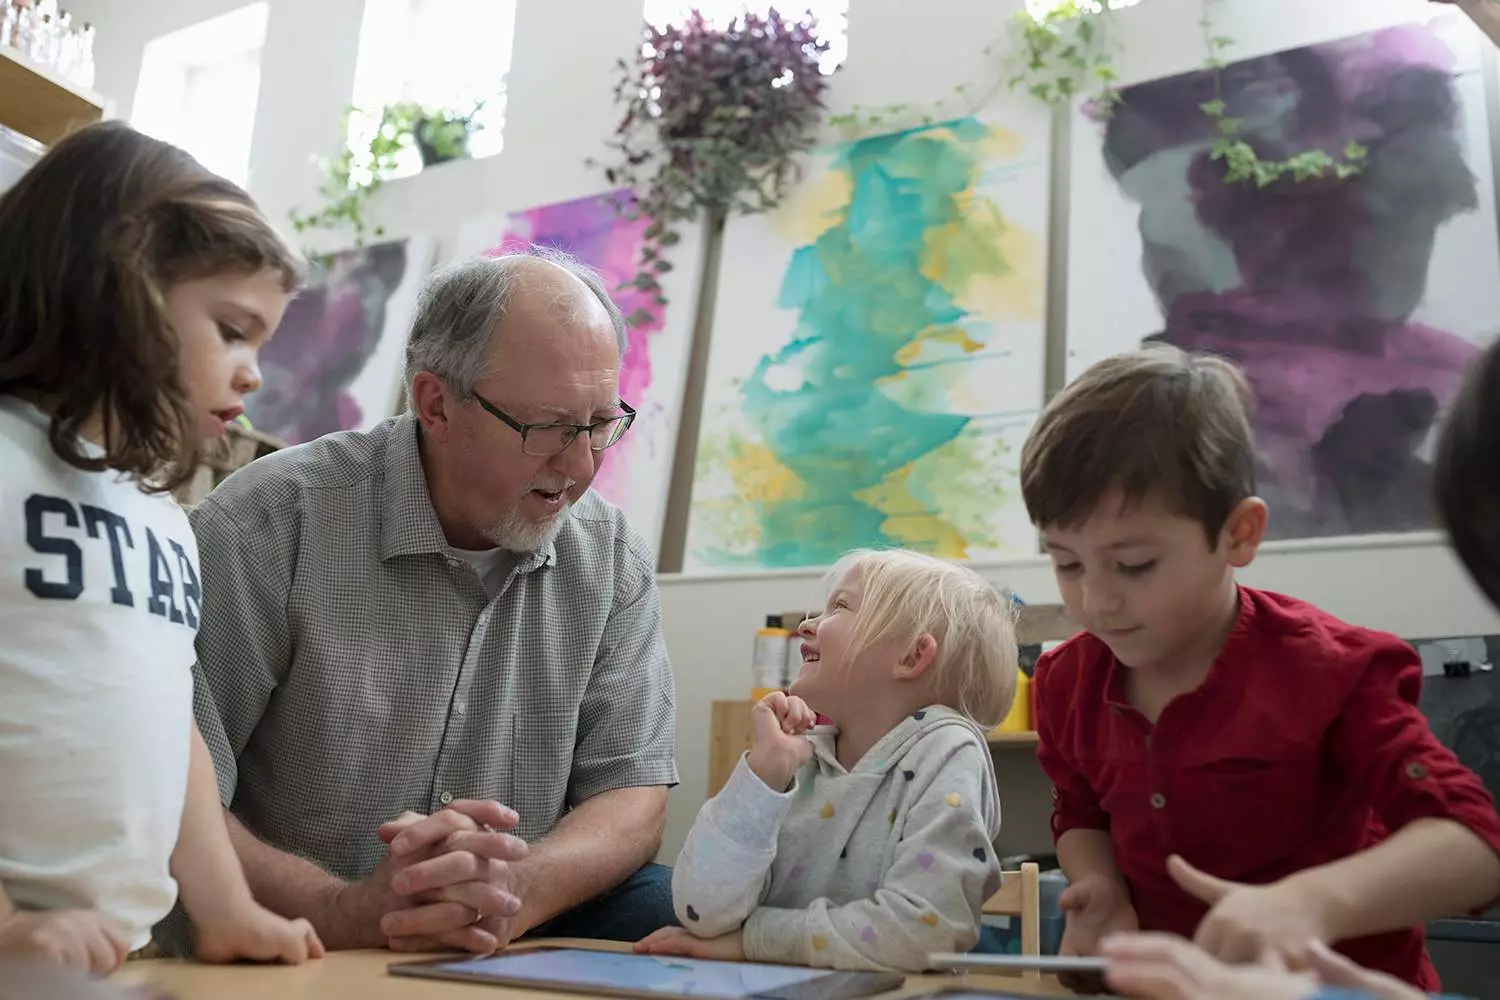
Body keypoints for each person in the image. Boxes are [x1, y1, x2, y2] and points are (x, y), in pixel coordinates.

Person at [153, 248, 679, 957]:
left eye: (599, 423)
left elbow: (634, 795)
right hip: (295, 929)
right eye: (548, 427)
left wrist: (518, 888)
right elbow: (172, 796)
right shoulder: (267, 526)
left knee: (694, 912)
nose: (582, 464)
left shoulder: (610, 557)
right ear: (436, 404)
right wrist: (344, 910)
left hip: (516, 924)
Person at [1019, 344, 1500, 991]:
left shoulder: (1333, 670)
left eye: (1134, 565)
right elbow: (1080, 810)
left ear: (1239, 535)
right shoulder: (1067, 681)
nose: (1095, 601)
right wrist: (1099, 885)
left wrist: (1310, 904)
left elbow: (1474, 843)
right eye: (1067, 563)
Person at [0, 121, 324, 973]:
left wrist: (227, 909)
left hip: (109, 957)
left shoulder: (162, 517)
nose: (253, 373)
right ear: (119, 289)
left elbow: (162, 719)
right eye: (231, 329)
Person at [635, 548, 1017, 971]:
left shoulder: (947, 751)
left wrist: (750, 941)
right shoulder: (800, 754)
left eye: (841, 606)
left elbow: (921, 932)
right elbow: (699, 912)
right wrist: (762, 778)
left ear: (911, 657)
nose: (806, 624)